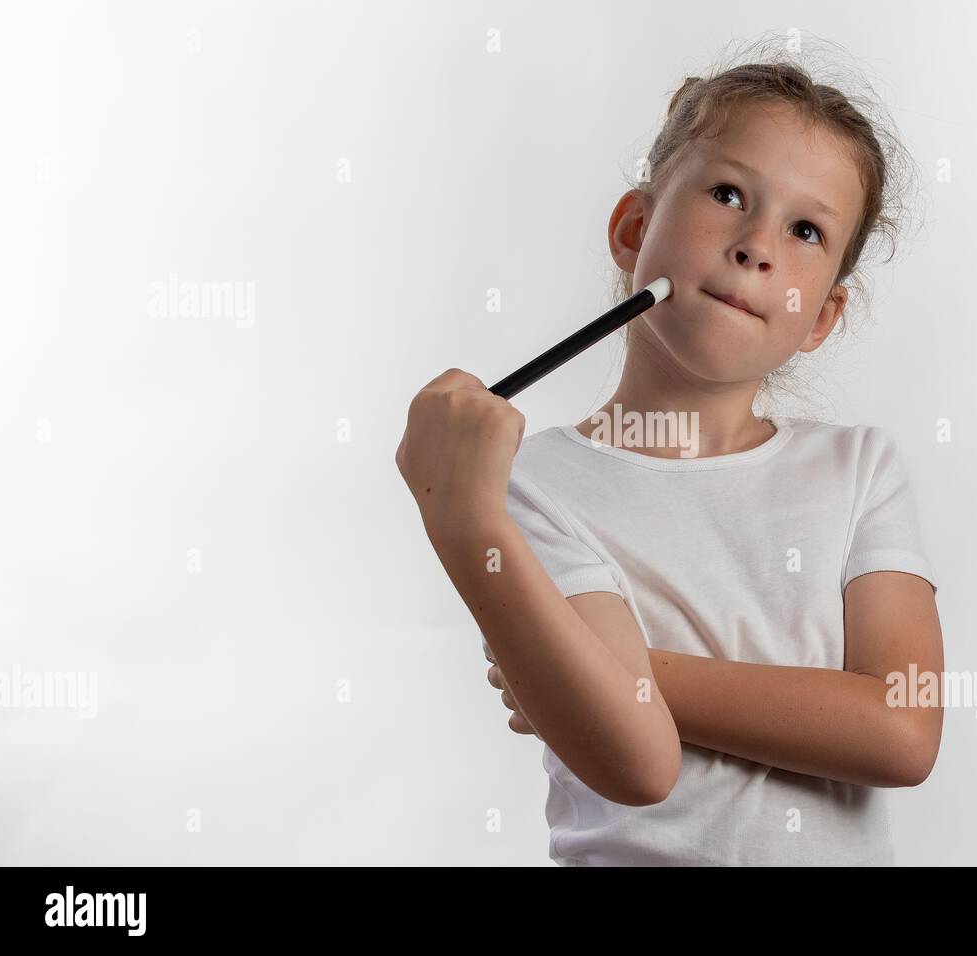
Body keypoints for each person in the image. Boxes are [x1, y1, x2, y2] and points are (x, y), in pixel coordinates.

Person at [396, 50, 944, 866]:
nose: (757, 245)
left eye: (805, 230)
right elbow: (638, 761)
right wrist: (460, 518)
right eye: (728, 195)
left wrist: (600, 671)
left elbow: (901, 731)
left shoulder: (858, 470)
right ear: (633, 230)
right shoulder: (529, 486)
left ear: (822, 317)